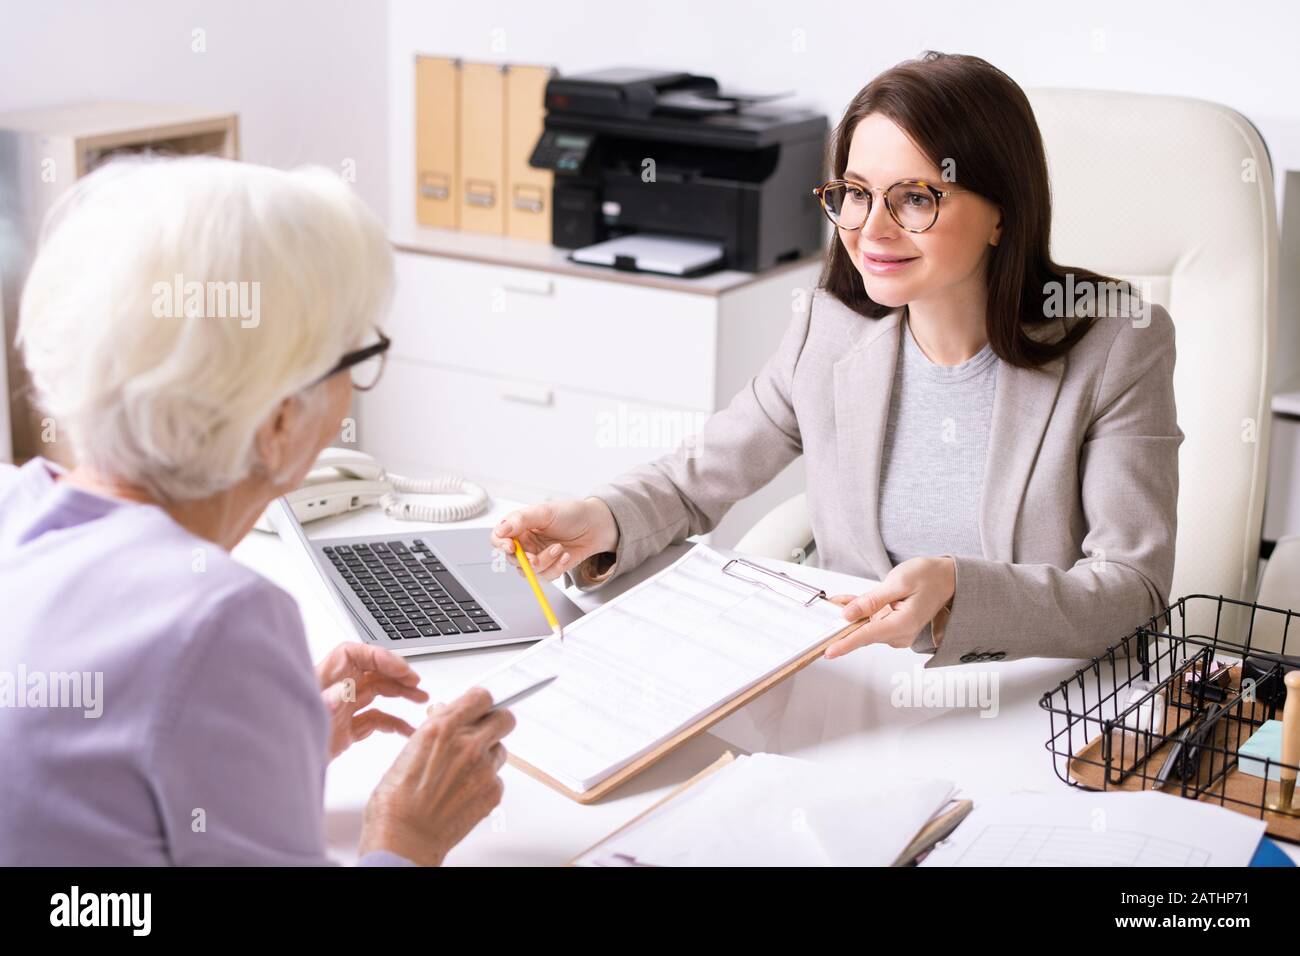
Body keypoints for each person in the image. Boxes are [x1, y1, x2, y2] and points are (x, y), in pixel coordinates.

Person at [491, 52, 1183, 667]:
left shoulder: (1116, 345)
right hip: (849, 679)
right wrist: (600, 520)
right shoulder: (830, 330)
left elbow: (1133, 590)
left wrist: (960, 593)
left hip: (1026, 703)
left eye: (916, 198)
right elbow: (690, 483)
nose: (871, 230)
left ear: (1003, 213)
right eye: (854, 193)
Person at [0, 156, 511, 865]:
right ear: (275, 420)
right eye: (352, 360)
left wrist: (252, 737)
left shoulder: (15, 507)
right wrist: (406, 833)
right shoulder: (220, 621)